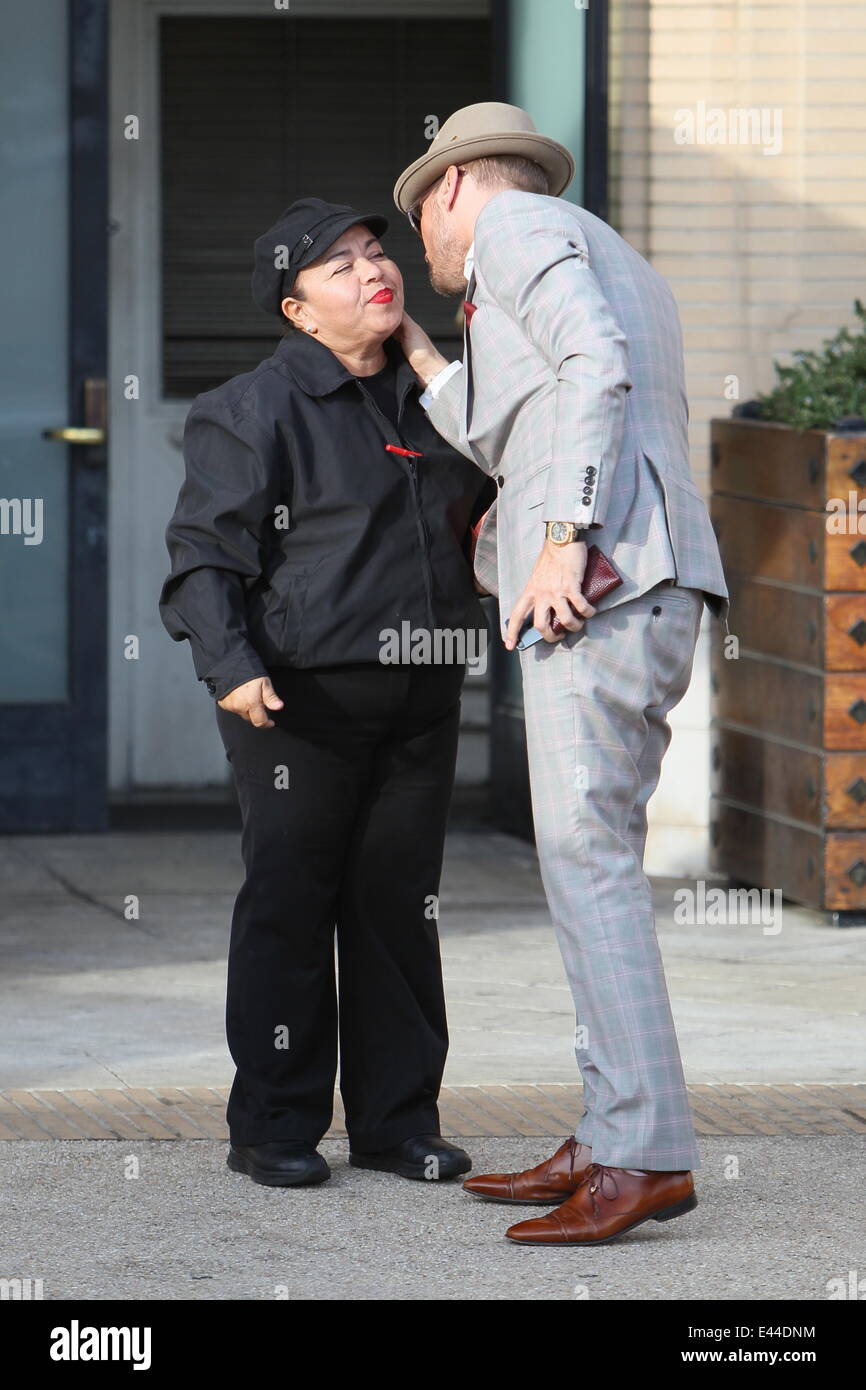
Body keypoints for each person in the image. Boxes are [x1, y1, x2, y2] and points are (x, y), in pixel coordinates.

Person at [392, 104, 729, 1245]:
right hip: (650, 577)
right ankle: (607, 1128)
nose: (427, 265)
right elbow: (527, 423)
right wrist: (428, 361)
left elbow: (595, 364)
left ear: (451, 193)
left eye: (419, 232)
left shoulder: (516, 235)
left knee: (586, 864)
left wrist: (557, 536)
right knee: (589, 861)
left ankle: (641, 1153)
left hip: (598, 584)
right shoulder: (602, 248)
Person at [159, 198, 494, 1188]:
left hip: (424, 693)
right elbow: (202, 556)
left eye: (373, 254)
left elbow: (501, 498)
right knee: (291, 905)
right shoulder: (250, 409)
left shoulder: (437, 403)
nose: (371, 272)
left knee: (397, 908)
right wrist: (231, 664)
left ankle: (397, 1123)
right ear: (296, 309)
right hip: (298, 700)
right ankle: (272, 1124)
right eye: (338, 267)